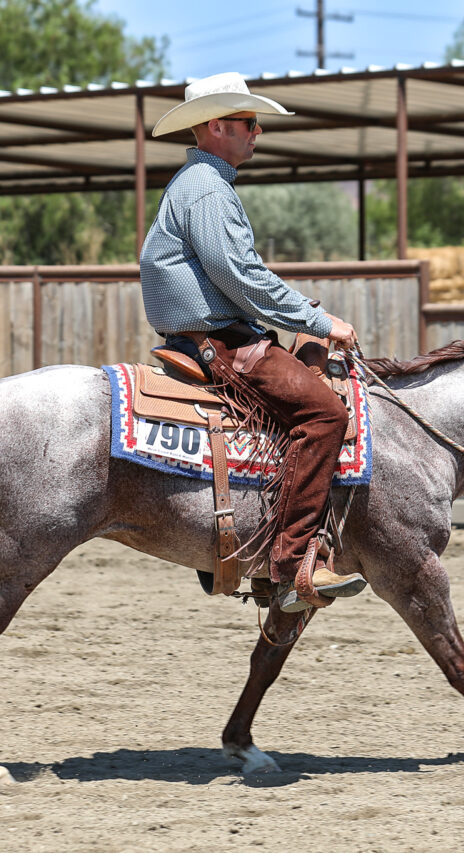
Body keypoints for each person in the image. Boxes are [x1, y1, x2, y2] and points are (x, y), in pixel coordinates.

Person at [139, 72, 365, 612]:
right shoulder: (208, 191)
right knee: (326, 415)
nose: (257, 131)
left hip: (211, 334)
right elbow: (241, 276)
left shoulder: (197, 186)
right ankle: (290, 568)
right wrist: (317, 319)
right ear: (217, 126)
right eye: (248, 122)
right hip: (224, 341)